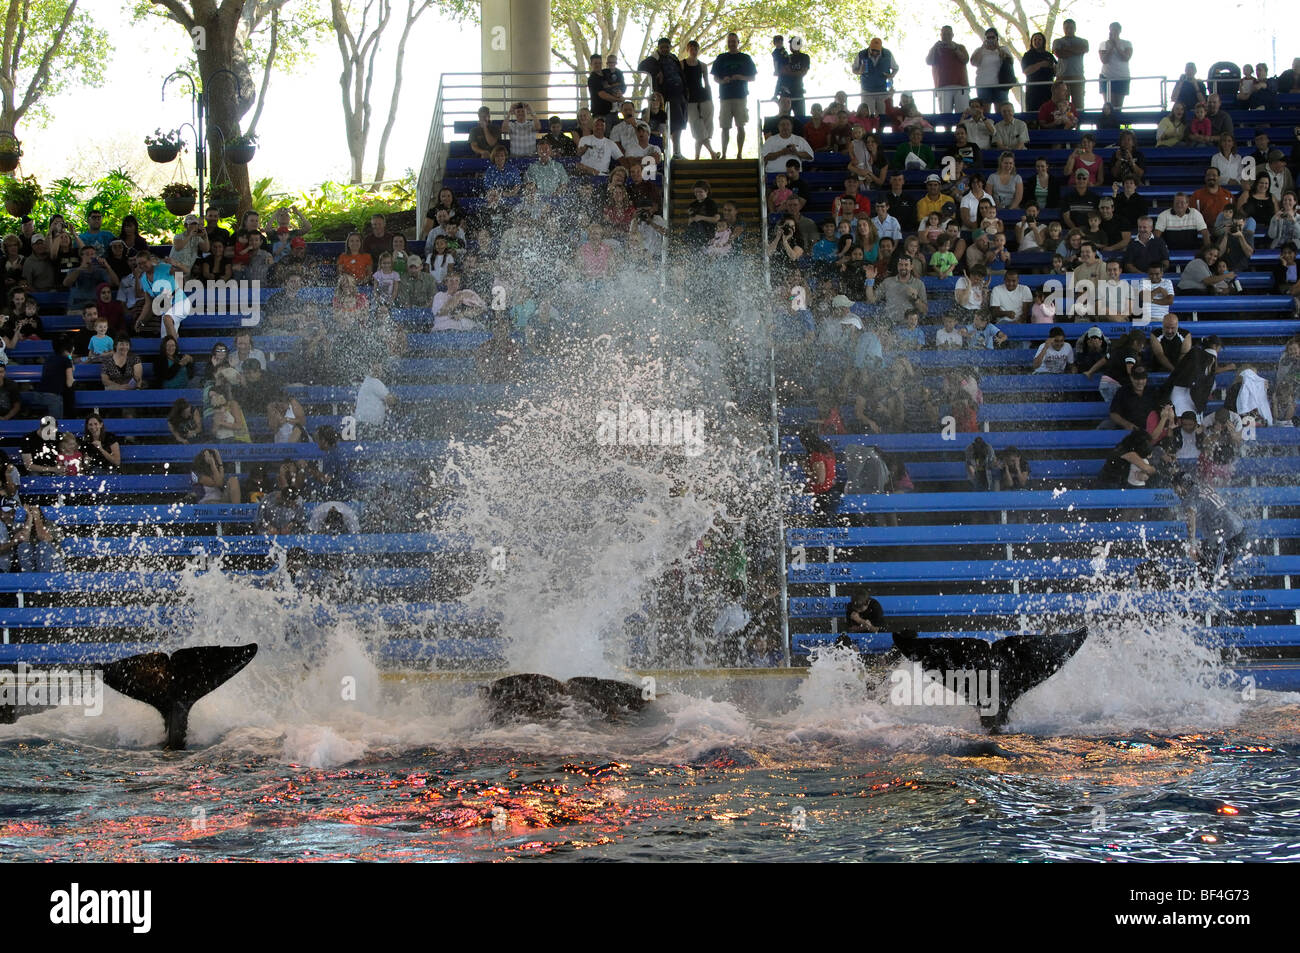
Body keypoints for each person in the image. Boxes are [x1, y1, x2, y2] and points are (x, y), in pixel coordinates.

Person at [1173, 471, 1248, 581]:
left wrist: (1192, 544)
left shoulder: (1190, 497)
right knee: (1211, 569)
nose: (1175, 492)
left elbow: (1191, 516)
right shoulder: (1204, 488)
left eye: (1175, 488)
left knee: (1214, 575)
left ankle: (1212, 592)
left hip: (1227, 536)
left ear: (1181, 486)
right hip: (1236, 530)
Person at [710, 33, 757, 159]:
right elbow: (715, 77)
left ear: (738, 42)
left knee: (740, 125)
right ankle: (724, 154)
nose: (731, 43)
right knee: (725, 127)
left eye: (734, 41)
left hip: (741, 96)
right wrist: (722, 80)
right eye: (729, 41)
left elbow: (753, 77)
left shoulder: (745, 58)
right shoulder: (721, 58)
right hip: (725, 97)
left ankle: (739, 153)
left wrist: (741, 77)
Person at [681, 40, 718, 160]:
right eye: (691, 48)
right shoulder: (682, 64)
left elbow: (707, 83)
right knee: (696, 126)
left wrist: (711, 99)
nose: (694, 51)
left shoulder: (702, 65)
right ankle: (712, 152)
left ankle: (697, 157)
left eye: (696, 48)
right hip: (689, 98)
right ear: (688, 50)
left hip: (703, 96)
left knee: (706, 127)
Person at [926, 26, 970, 113]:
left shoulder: (960, 47)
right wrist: (934, 48)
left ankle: (961, 127)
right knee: (945, 115)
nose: (946, 36)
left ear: (953, 35)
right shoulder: (936, 48)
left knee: (963, 114)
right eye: (944, 34)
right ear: (940, 35)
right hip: (943, 86)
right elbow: (928, 61)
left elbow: (965, 59)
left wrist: (955, 49)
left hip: (961, 85)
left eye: (948, 34)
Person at [852, 37, 897, 115]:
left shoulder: (887, 54)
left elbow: (895, 68)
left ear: (881, 49)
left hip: (883, 89)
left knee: (884, 113)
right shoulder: (862, 54)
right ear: (869, 47)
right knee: (868, 114)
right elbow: (854, 69)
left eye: (877, 51)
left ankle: (881, 127)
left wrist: (891, 75)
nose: (875, 53)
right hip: (867, 90)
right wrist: (859, 71)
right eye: (873, 50)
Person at [1051, 19, 1089, 110]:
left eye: (1071, 27)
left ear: (1075, 28)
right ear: (1063, 28)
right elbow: (1059, 54)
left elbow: (1083, 49)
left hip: (1078, 76)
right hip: (1062, 77)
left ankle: (1077, 124)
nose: (1069, 29)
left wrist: (1066, 49)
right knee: (1061, 104)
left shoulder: (1083, 41)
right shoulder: (1057, 41)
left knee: (1079, 105)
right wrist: (1075, 50)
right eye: (1066, 27)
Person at [970, 28, 1015, 105]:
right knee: (985, 109)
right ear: (985, 38)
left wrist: (998, 47)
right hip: (983, 84)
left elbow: (1009, 61)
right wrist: (982, 48)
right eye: (988, 37)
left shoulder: (1003, 49)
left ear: (997, 38)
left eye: (992, 37)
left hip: (1000, 84)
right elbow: (974, 62)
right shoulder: (979, 50)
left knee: (1001, 109)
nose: (990, 39)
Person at [1097, 22, 1132, 109]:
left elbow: (1126, 58)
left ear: (1120, 31)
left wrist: (1117, 46)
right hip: (1107, 76)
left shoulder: (1127, 43)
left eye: (1116, 29)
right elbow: (1104, 60)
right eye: (1112, 29)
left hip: (1122, 77)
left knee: (1118, 106)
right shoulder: (1103, 44)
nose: (1114, 31)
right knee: (1108, 106)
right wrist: (1111, 47)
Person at [1021, 32, 1056, 114]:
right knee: (1032, 112)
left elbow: (1056, 71)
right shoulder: (1027, 55)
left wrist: (1053, 67)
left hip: (1048, 89)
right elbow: (1026, 71)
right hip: (1033, 89)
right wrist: (1041, 64)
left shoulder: (1049, 55)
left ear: (1043, 41)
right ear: (1032, 42)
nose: (1037, 41)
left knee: (1048, 112)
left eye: (1039, 39)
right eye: (1035, 39)